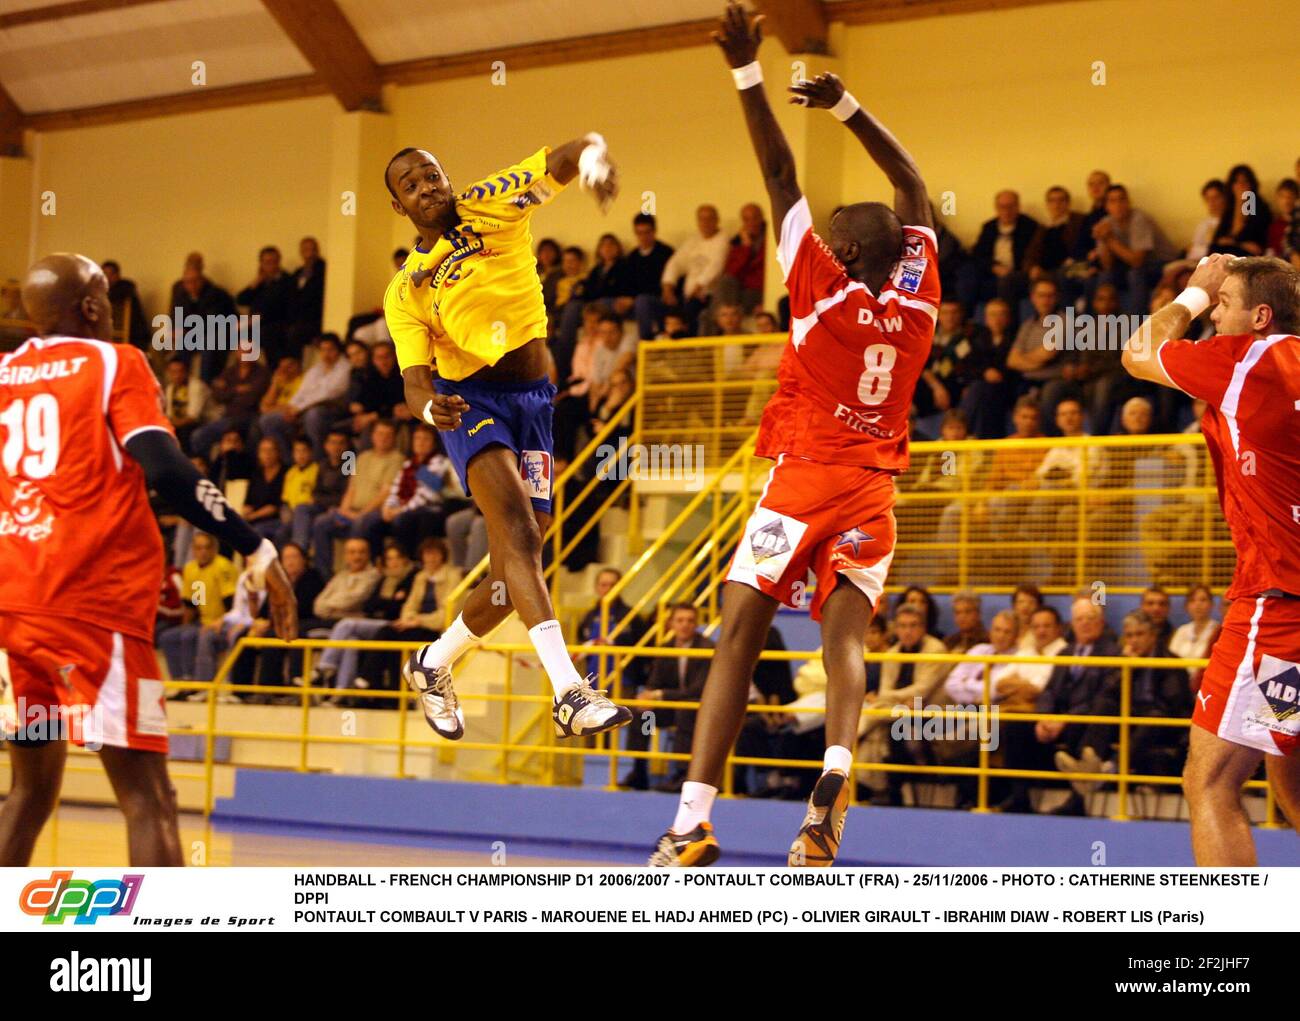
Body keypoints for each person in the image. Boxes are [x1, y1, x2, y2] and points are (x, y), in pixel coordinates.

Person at [649, 4, 938, 868]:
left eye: (831, 233)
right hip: (874, 494)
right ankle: (834, 780)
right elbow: (914, 187)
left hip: (803, 481)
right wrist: (848, 107)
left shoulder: (820, 286)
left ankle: (692, 822)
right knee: (844, 641)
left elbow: (779, 174)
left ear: (841, 252)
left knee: (738, 632)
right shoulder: (919, 299)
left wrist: (746, 69)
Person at [0, 253, 296, 867]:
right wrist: (253, 543)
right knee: (150, 799)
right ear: (91, 307)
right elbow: (166, 470)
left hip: (15, 609)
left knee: (27, 794)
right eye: (106, 300)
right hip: (92, 606)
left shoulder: (6, 374)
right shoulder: (116, 361)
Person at [381, 118, 631, 743]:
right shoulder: (406, 289)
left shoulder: (492, 203)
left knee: (511, 572)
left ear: (447, 179)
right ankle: (569, 692)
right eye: (411, 184)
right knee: (518, 531)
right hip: (469, 402)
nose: (426, 186)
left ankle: (432, 662)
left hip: (535, 403)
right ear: (400, 206)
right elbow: (414, 382)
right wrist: (427, 411)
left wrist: (595, 162)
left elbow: (572, 152)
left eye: (432, 174)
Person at [1121, 252, 1300, 865]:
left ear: (1261, 317)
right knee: (1287, 765)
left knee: (1210, 781)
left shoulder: (1250, 359)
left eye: (1224, 306)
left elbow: (1137, 353)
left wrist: (1193, 293)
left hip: (1279, 610)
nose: (1214, 318)